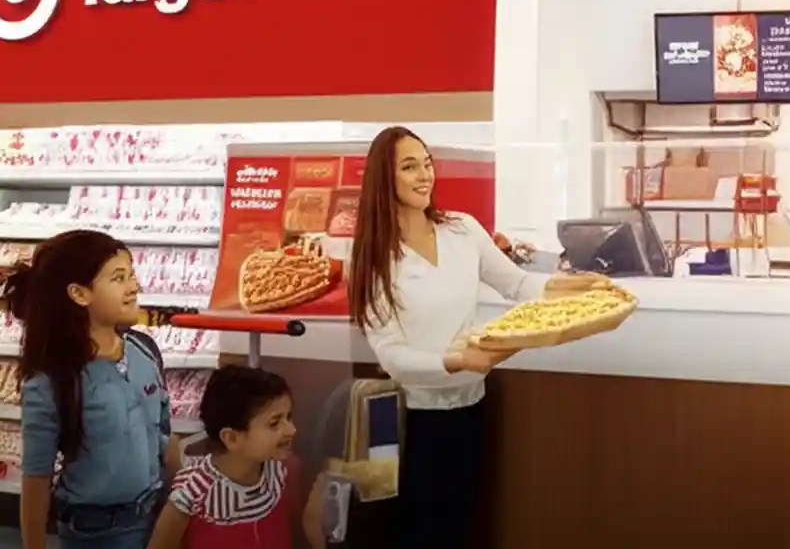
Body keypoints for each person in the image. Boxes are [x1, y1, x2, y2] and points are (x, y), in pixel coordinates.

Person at [347, 126, 560, 547]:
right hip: (406, 419)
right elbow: (391, 355)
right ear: (383, 179)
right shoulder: (373, 256)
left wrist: (571, 287)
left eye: (427, 164)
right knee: (408, 530)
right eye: (410, 167)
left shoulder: (461, 229)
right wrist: (457, 360)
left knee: (459, 526)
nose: (424, 175)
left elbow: (518, 285)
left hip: (471, 408)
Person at [7, 231, 171, 549]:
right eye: (118, 278)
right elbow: (37, 478)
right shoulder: (51, 381)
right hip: (97, 535)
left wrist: (183, 500)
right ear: (79, 294)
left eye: (132, 275)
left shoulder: (143, 351)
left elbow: (164, 433)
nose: (133, 287)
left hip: (156, 520)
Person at [147, 365, 321, 549]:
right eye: (274, 423)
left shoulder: (284, 473)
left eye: (289, 417)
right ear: (231, 438)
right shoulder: (192, 493)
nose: (291, 430)